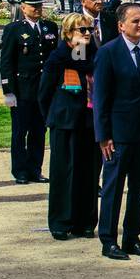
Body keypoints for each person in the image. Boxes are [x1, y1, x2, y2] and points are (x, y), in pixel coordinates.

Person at [93, 3, 140, 258]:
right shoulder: (109, 52)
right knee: (113, 187)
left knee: (138, 188)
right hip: (118, 134)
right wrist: (103, 135)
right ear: (121, 25)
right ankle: (108, 240)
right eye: (135, 21)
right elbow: (101, 96)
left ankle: (132, 237)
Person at [39, 13, 100, 241]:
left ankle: (85, 222)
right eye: (81, 30)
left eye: (89, 30)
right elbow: (44, 93)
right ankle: (61, 222)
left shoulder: (94, 55)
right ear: (68, 33)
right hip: (65, 122)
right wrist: (52, 117)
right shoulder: (59, 56)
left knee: (89, 173)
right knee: (64, 172)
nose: (86, 34)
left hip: (90, 122)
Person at [0, 0, 59, 185]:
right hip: (22, 88)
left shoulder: (50, 27)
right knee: (20, 132)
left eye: (39, 5)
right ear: (23, 8)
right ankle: (20, 171)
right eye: (33, 6)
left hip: (43, 89)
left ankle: (35, 168)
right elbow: (7, 62)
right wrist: (8, 90)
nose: (37, 9)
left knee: (39, 131)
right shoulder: (14, 29)